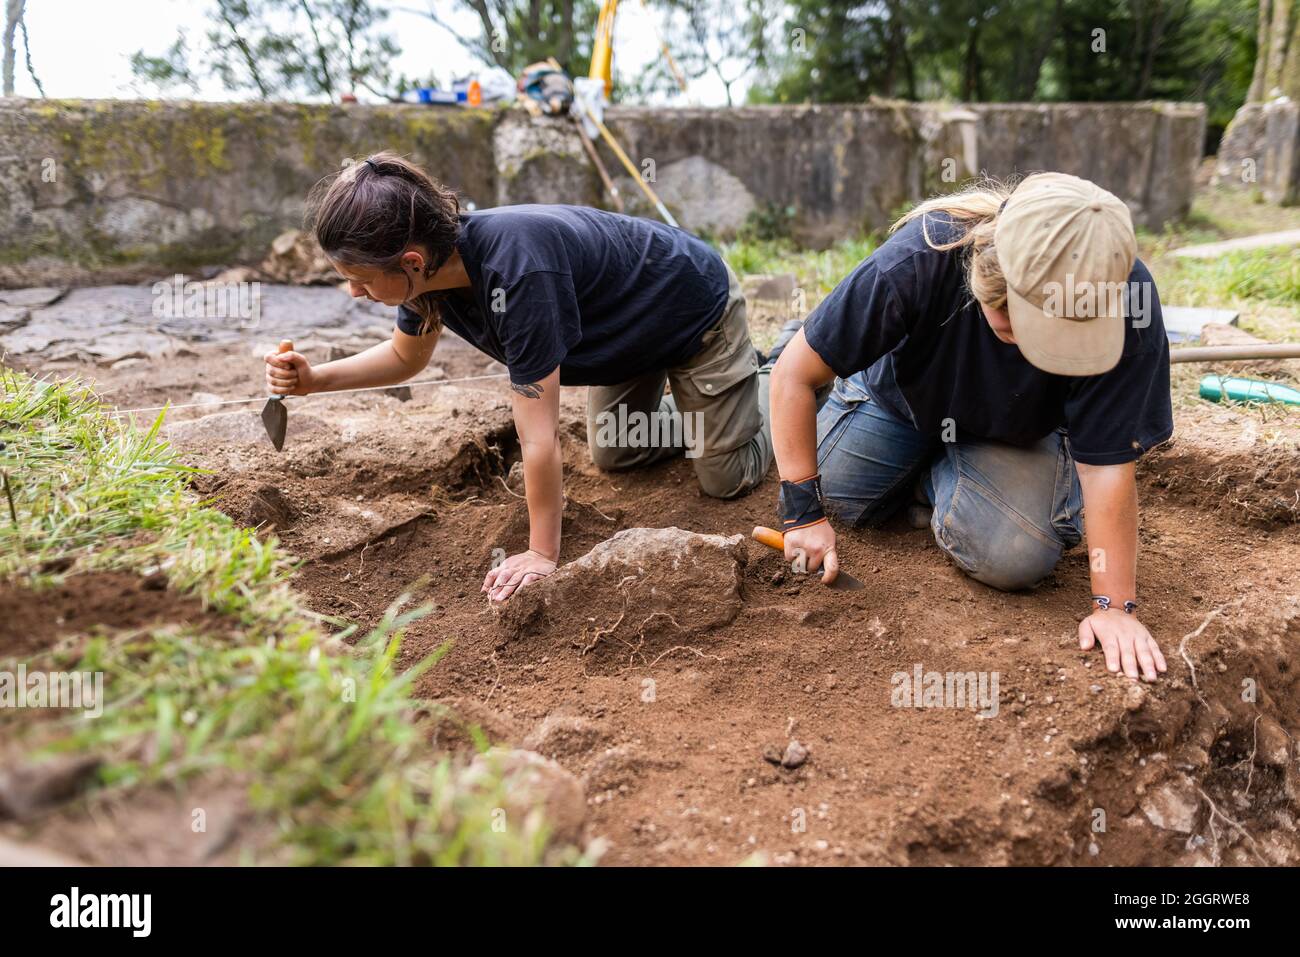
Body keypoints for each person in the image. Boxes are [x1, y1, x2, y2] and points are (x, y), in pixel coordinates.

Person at [264, 152, 777, 602]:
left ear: (411, 261)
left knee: (725, 477)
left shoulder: (518, 272)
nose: (354, 293)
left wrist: (540, 552)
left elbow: (538, 435)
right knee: (619, 450)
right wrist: (314, 380)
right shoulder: (429, 276)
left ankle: (777, 376)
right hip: (630, 339)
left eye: (360, 280)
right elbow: (405, 358)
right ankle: (711, 409)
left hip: (693, 312)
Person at [768, 173, 1173, 682]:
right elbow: (792, 376)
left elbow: (1107, 465)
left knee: (1015, 555)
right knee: (840, 495)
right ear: (987, 283)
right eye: (1010, 324)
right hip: (905, 404)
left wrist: (1115, 607)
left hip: (1017, 433)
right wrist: (802, 514)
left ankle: (947, 478)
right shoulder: (919, 258)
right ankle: (917, 451)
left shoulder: (1124, 302)